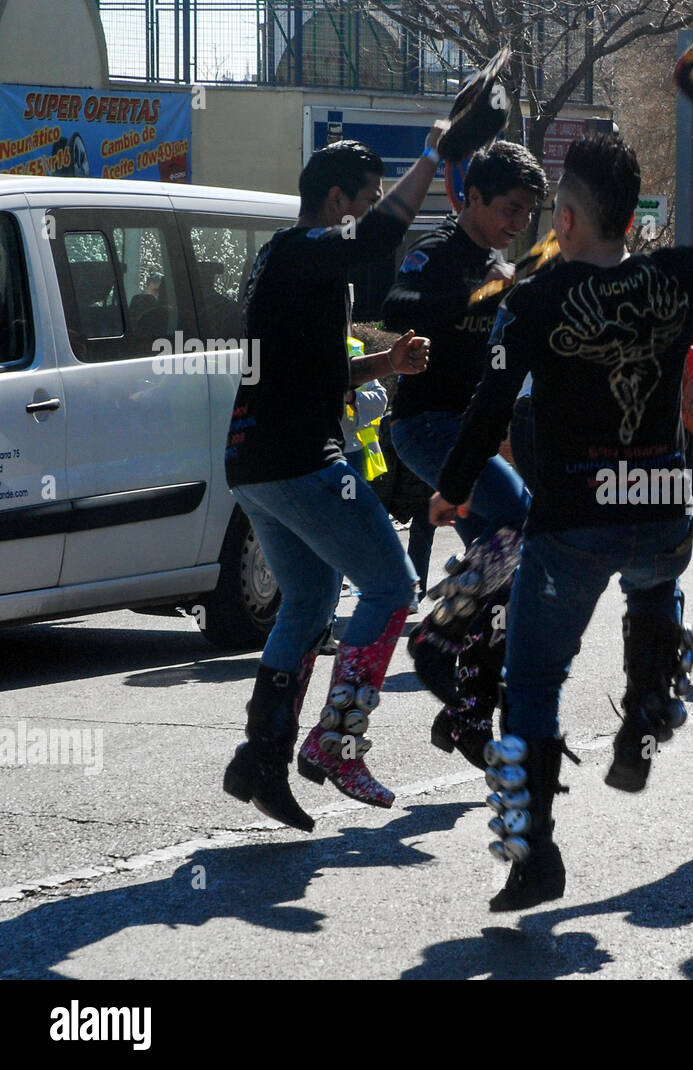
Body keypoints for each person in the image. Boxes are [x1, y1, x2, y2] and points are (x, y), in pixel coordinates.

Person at [429, 127, 693, 911]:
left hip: (573, 516)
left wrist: (452, 485)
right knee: (656, 586)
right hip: (661, 503)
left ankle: (534, 855)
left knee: (530, 682)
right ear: (631, 214)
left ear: (564, 217)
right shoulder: (680, 274)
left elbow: (489, 403)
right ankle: (649, 701)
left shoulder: (532, 297)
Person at [221, 131, 444, 829]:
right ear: (337, 199)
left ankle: (260, 761)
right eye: (368, 197)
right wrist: (433, 156)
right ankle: (338, 740)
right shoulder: (299, 250)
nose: (375, 209)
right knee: (393, 584)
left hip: (259, 464)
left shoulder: (292, 264)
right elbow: (376, 237)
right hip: (298, 461)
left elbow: (314, 374)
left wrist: (386, 368)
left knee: (310, 600)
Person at [382, 140, 548, 767]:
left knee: (509, 575)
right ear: (471, 197)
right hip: (425, 426)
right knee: (516, 518)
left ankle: (468, 715)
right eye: (508, 207)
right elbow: (395, 308)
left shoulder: (499, 264)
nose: (517, 222)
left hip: (474, 431)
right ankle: (433, 637)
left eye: (527, 212)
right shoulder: (439, 250)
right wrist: (481, 293)